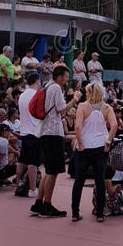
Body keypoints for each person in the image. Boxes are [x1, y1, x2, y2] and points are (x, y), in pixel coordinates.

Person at [72, 82, 118, 222]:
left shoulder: (82, 107)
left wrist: (79, 143)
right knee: (100, 180)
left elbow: (78, 127)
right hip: (100, 145)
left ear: (90, 93)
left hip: (84, 146)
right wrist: (108, 141)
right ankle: (100, 213)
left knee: (79, 180)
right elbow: (114, 125)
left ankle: (75, 212)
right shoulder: (107, 108)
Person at [31, 64, 70, 217]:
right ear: (60, 77)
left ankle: (39, 203)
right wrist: (75, 100)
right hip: (53, 132)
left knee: (48, 169)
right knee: (53, 171)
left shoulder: (47, 86)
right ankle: (47, 205)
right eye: (66, 76)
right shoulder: (56, 88)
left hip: (44, 131)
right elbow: (62, 110)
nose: (67, 79)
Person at [15, 72, 42, 198]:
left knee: (22, 159)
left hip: (24, 130)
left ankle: (17, 186)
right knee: (33, 162)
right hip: (34, 131)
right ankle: (32, 189)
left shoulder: (22, 95)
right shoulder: (36, 94)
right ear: (37, 82)